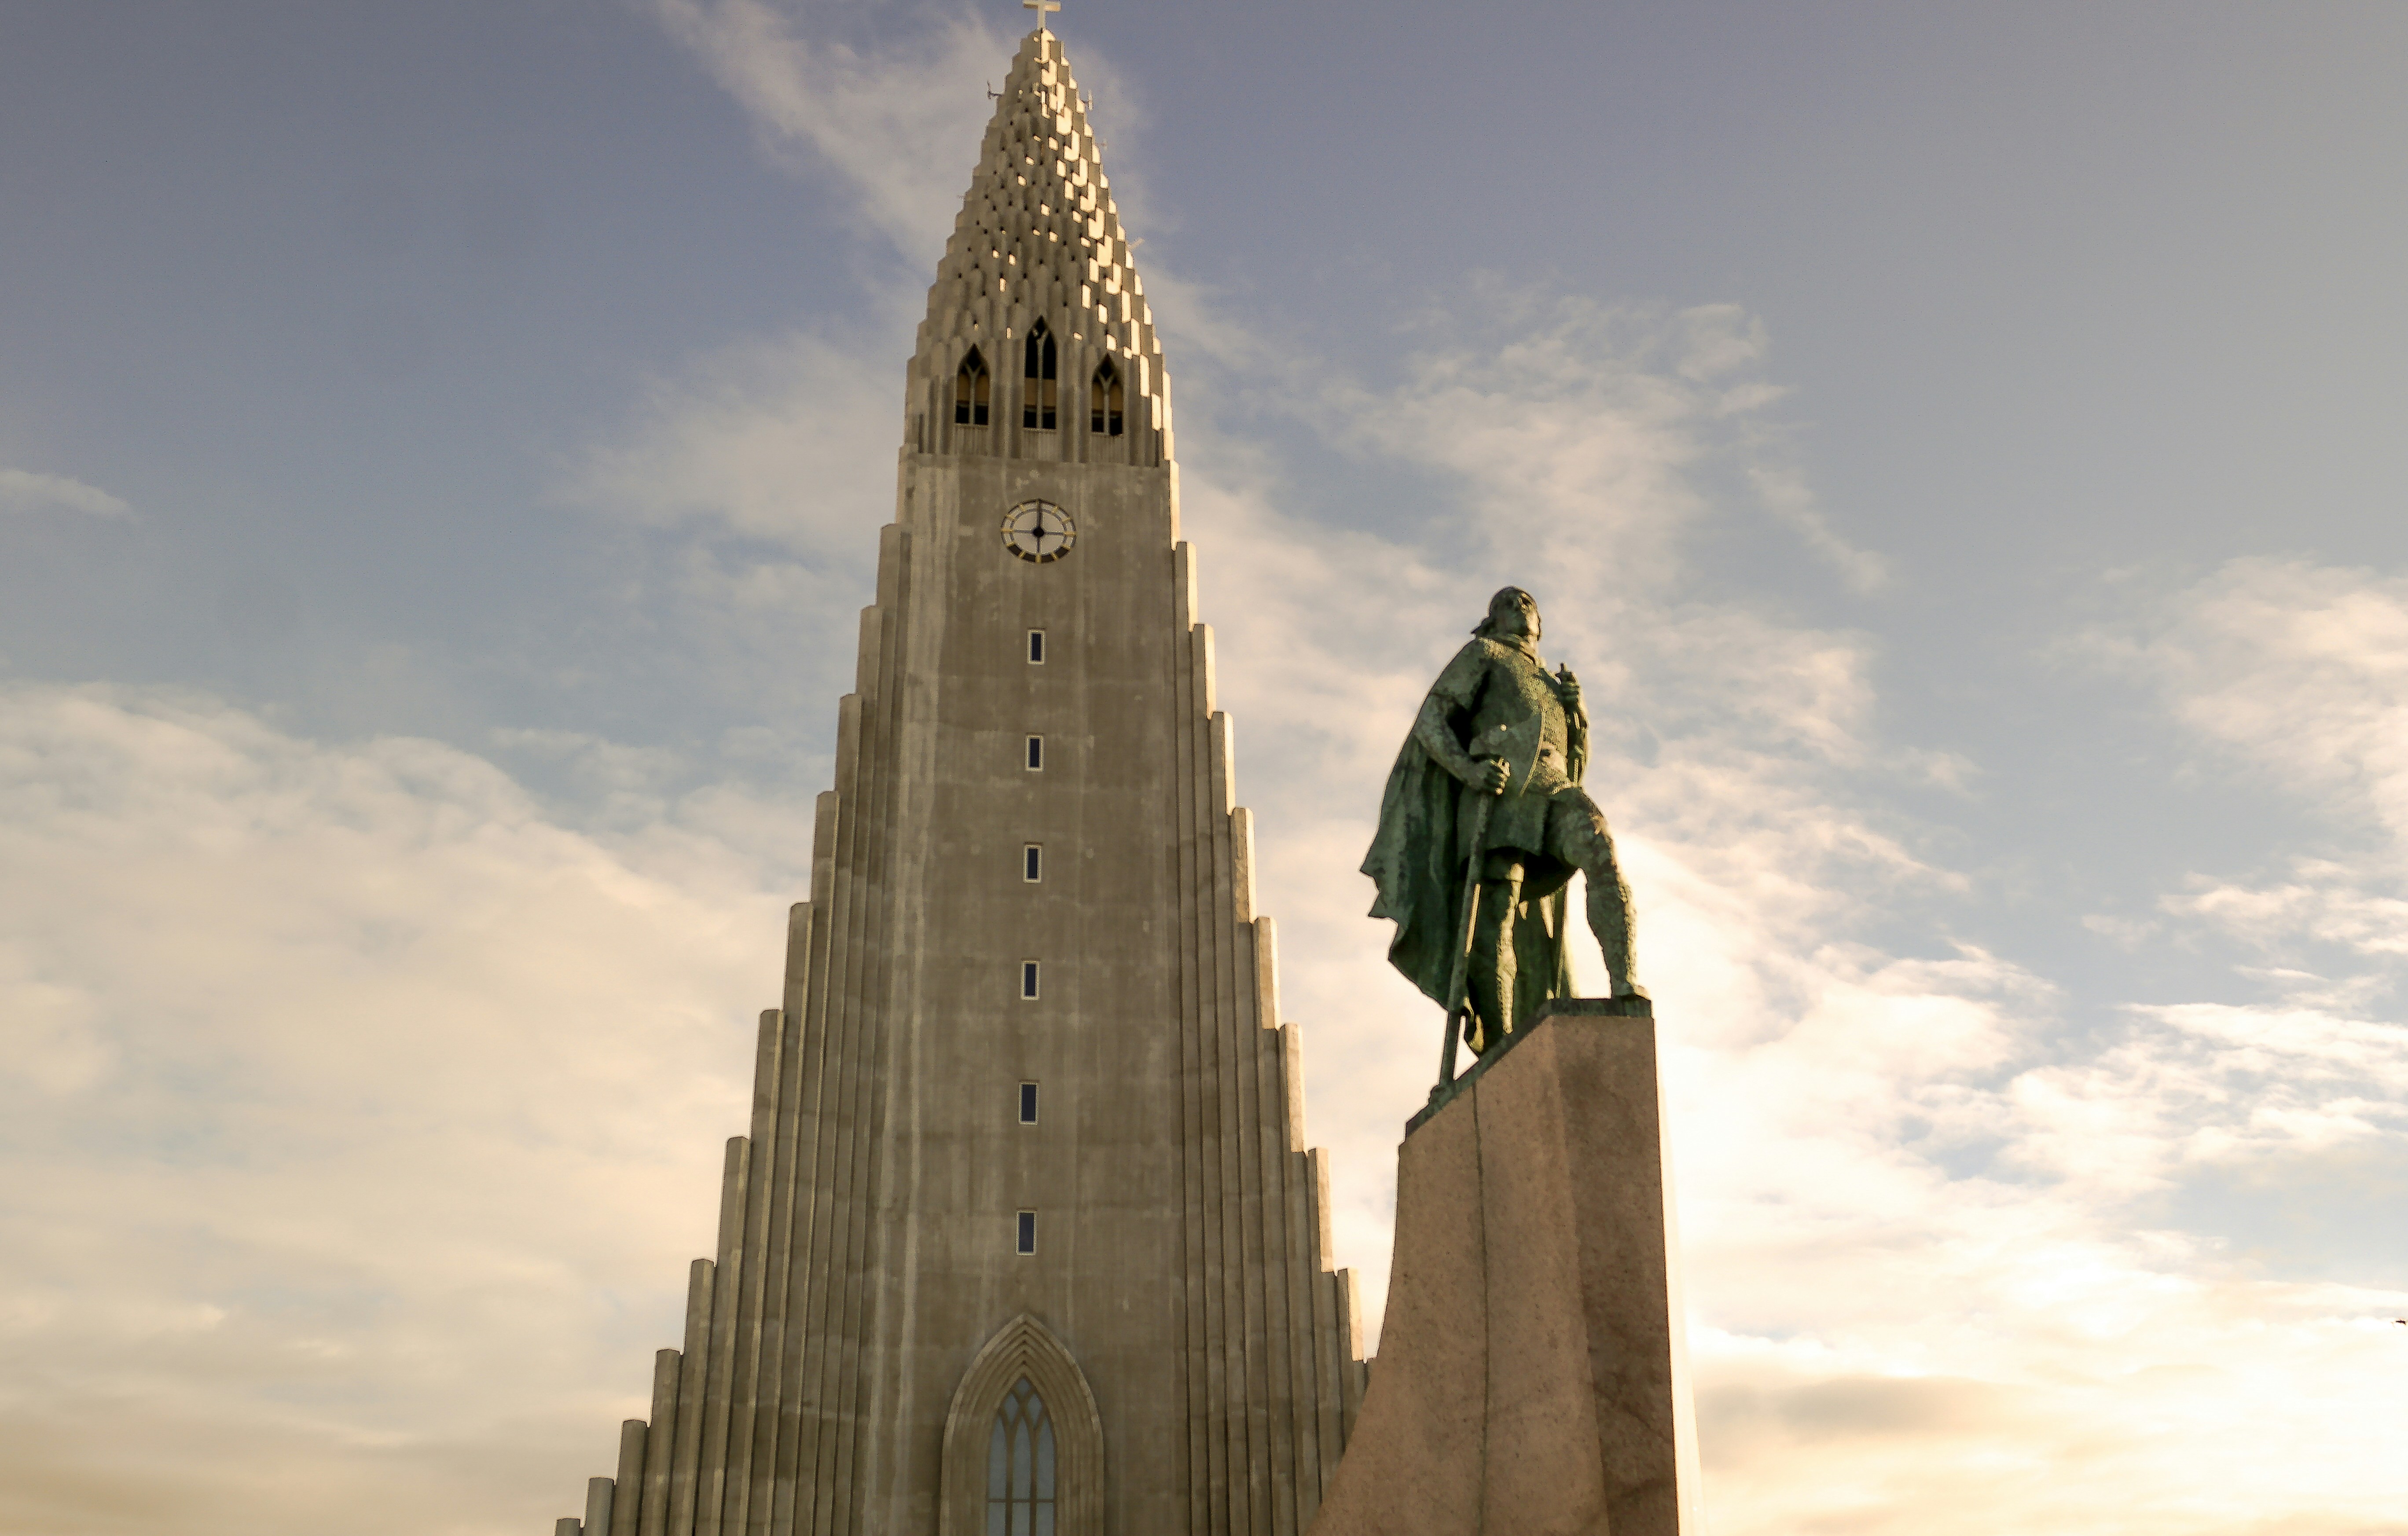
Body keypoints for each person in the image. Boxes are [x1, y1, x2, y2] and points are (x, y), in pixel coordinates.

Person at [1360, 587, 1641, 1057]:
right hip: (1501, 794)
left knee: (1600, 846)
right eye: (1507, 603)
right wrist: (1469, 770)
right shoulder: (1484, 653)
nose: (1521, 607)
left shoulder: (1554, 682)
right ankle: (1502, 1043)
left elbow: (1575, 762)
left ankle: (1625, 979)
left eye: (1528, 602)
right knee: (1496, 919)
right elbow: (1433, 719)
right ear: (1491, 622)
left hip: (1552, 788)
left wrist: (1577, 712)